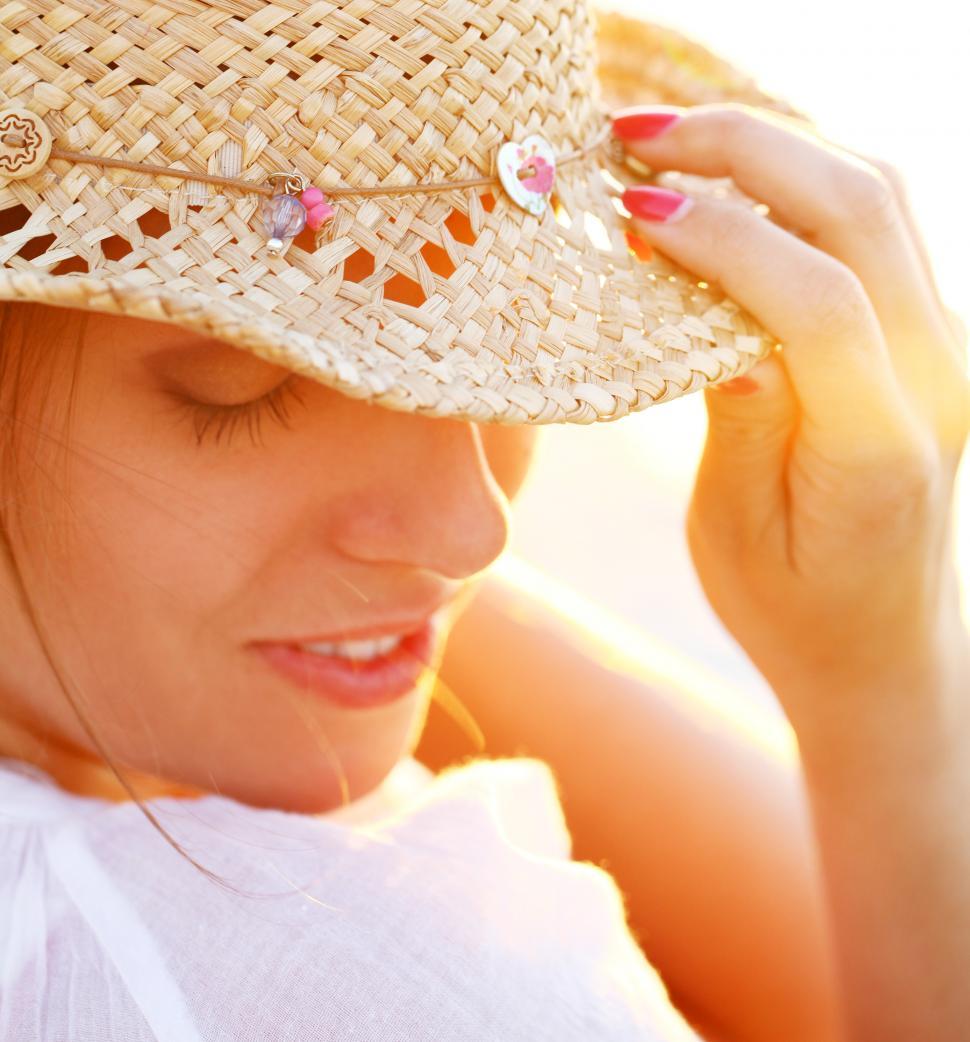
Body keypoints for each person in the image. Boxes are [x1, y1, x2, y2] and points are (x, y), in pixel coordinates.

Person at [0, 2, 967, 1040]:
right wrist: (878, 678)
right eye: (253, 383)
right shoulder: (362, 978)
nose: (476, 534)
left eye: (499, 351)